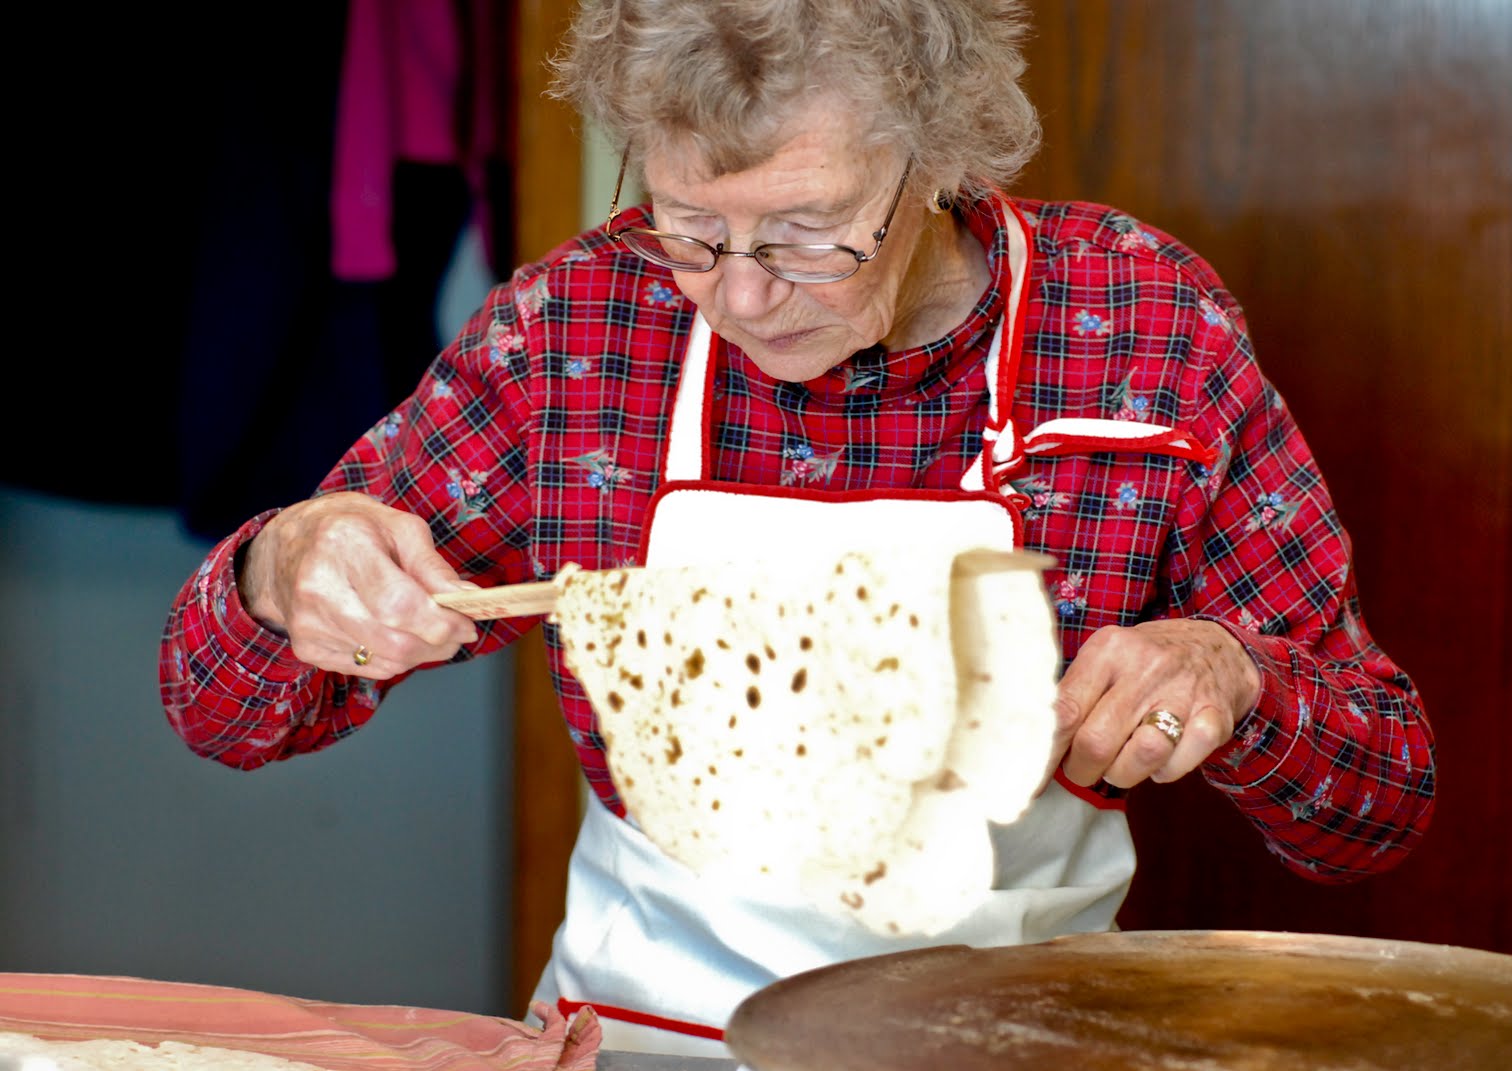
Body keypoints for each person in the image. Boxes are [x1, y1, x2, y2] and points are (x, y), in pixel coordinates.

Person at [160, 0, 1436, 1057]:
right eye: (693, 232)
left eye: (810, 237)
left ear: (938, 158)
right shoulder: (581, 328)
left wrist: (1235, 679)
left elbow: (1376, 803)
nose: (745, 298)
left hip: (1012, 1043)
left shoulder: (1138, 327)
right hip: (647, 1038)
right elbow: (217, 708)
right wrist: (283, 574)